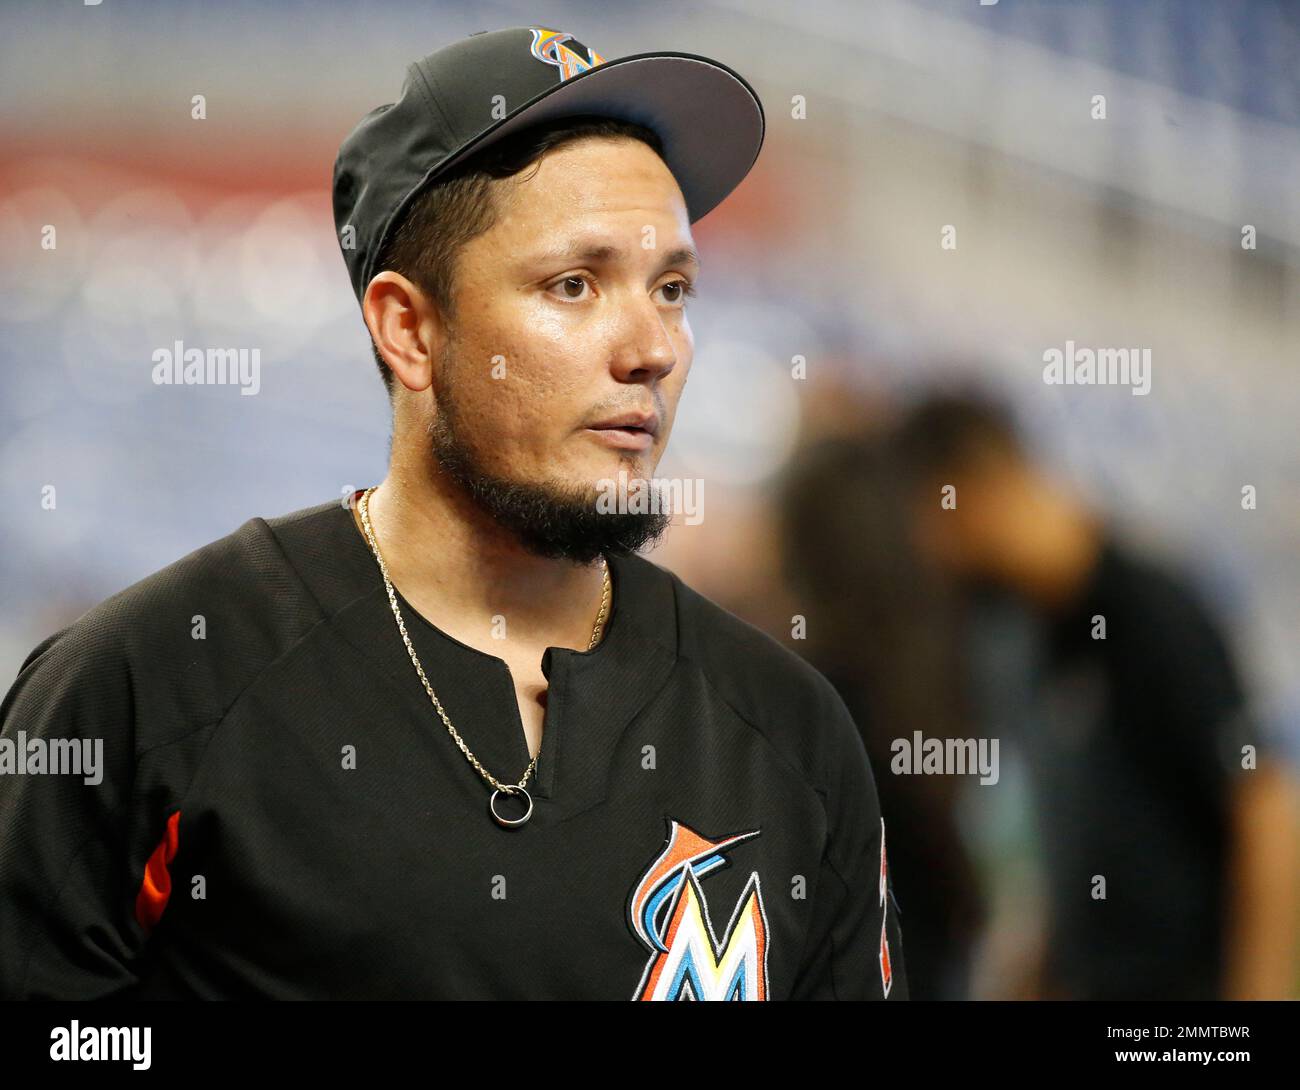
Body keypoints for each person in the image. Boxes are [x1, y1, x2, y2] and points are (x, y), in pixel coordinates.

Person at [0, 26, 907, 1001]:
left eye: (672, 288)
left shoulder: (789, 732)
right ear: (410, 328)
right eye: (575, 283)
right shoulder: (149, 687)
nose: (653, 348)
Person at [892, 390, 1299, 1000]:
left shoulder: (1154, 613)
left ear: (969, 488)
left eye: (928, 514)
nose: (927, 547)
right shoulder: (1020, 629)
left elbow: (1266, 814)